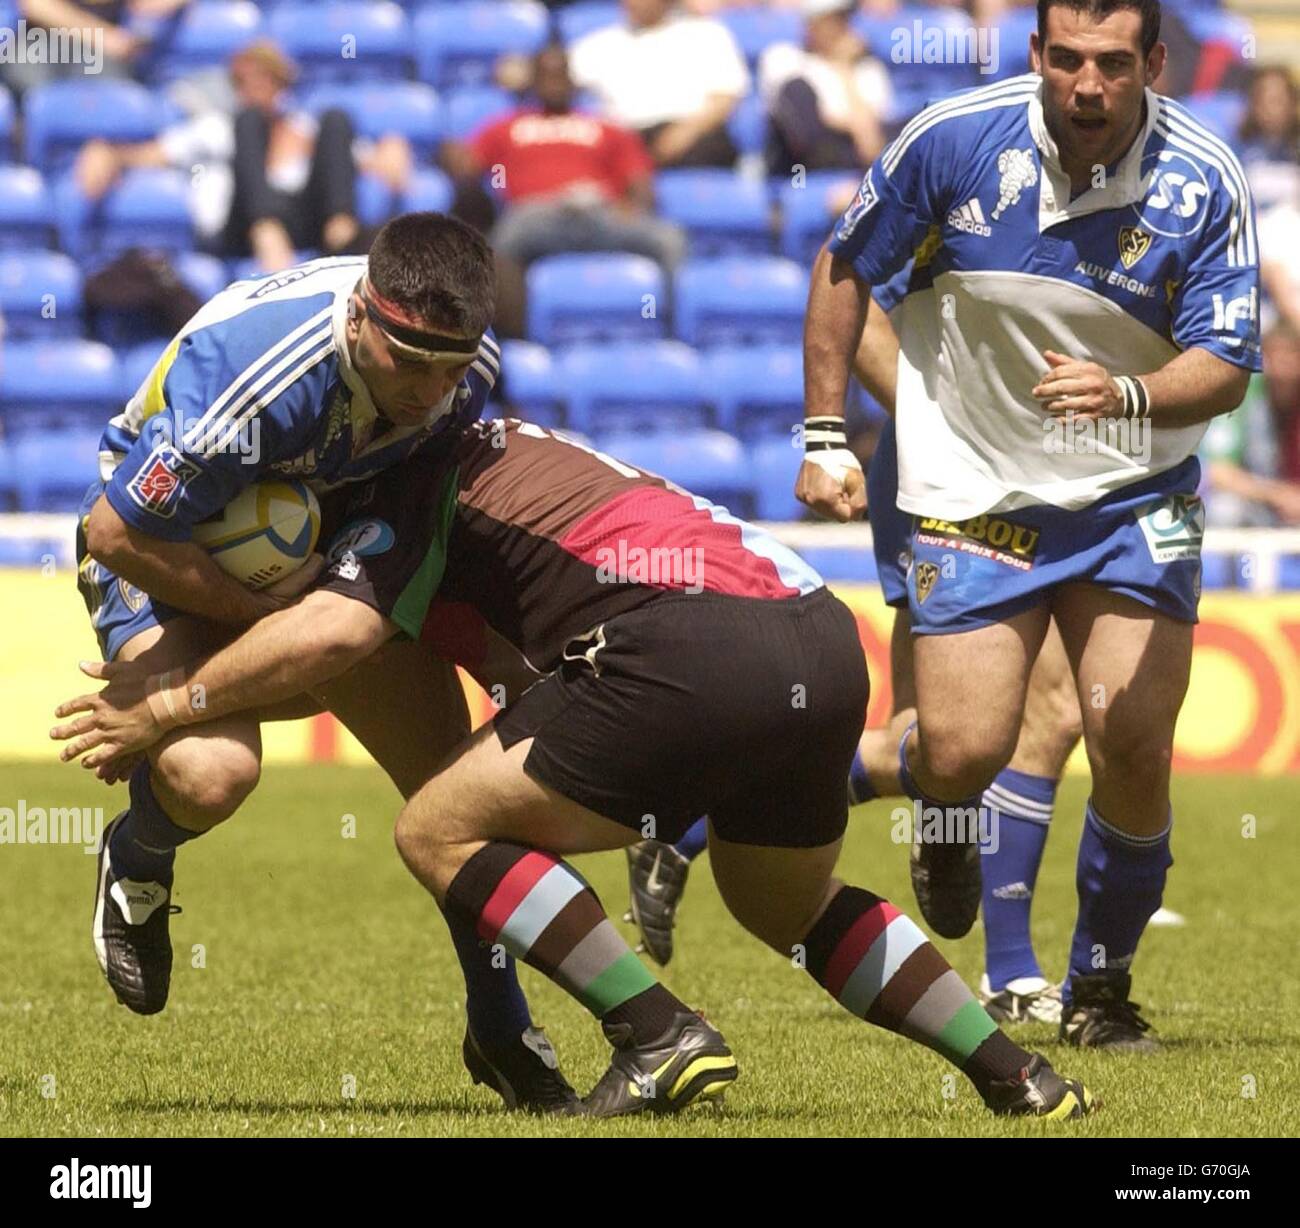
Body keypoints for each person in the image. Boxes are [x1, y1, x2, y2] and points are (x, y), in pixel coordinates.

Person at [54, 418, 1097, 1122]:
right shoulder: (525, 447)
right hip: (815, 639)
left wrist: (167, 704)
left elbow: (331, 644)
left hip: (683, 655)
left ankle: (657, 1032)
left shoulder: (401, 494)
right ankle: (1018, 1077)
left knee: (437, 828)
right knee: (786, 903)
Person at [795, 0, 1261, 1051]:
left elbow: (1227, 367)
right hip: (975, 488)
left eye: (1110, 63)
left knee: (1129, 738)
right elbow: (843, 266)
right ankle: (728, 803)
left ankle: (1098, 991)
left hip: (1128, 491)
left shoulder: (1205, 177)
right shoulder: (952, 141)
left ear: (1153, 61)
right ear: (1035, 56)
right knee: (962, 749)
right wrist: (826, 434)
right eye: (1064, 60)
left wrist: (1128, 394)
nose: (1085, 86)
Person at [68, 212, 576, 1110]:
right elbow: (116, 531)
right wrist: (270, 613)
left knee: (454, 794)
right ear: (358, 320)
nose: (426, 392)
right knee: (209, 773)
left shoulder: (468, 372)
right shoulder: (255, 376)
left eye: (446, 369)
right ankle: (139, 855)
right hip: (161, 555)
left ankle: (499, 1023)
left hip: (318, 556)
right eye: (406, 364)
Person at [626, 269, 1083, 1029]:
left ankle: (694, 826)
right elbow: (849, 280)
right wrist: (952, 431)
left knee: (952, 725)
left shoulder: (1119, 189)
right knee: (1036, 709)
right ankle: (1010, 971)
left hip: (1059, 468)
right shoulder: (960, 160)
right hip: (961, 480)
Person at [74, 41, 412, 272]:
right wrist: (107, 151)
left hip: (308, 224)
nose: (251, 89)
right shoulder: (220, 127)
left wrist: (393, 146)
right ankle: (268, 233)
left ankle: (342, 235)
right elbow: (153, 153)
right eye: (241, 81)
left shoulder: (304, 129)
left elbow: (365, 163)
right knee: (248, 122)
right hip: (244, 229)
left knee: (337, 118)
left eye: (264, 79)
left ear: (281, 83)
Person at [442, 44, 684, 337]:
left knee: (670, 240)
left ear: (573, 81)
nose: (554, 82)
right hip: (535, 216)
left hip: (600, 212)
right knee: (502, 245)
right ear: (533, 81)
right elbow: (465, 164)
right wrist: (446, 149)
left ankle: (674, 334)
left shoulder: (605, 127)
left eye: (561, 75)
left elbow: (640, 180)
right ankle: (513, 341)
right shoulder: (506, 127)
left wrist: (633, 206)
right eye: (546, 75)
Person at [568, 0, 750, 168]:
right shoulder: (598, 46)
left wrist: (682, 134)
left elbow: (724, 99)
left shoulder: (707, 34)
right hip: (626, 138)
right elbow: (558, 82)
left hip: (692, 134)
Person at [759, 0, 891, 176]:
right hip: (799, 163)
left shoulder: (866, 66)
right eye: (831, 20)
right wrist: (850, 124)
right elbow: (800, 121)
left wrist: (844, 69)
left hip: (849, 150)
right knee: (796, 89)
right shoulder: (784, 56)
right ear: (811, 24)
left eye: (843, 19)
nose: (840, 27)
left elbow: (870, 133)